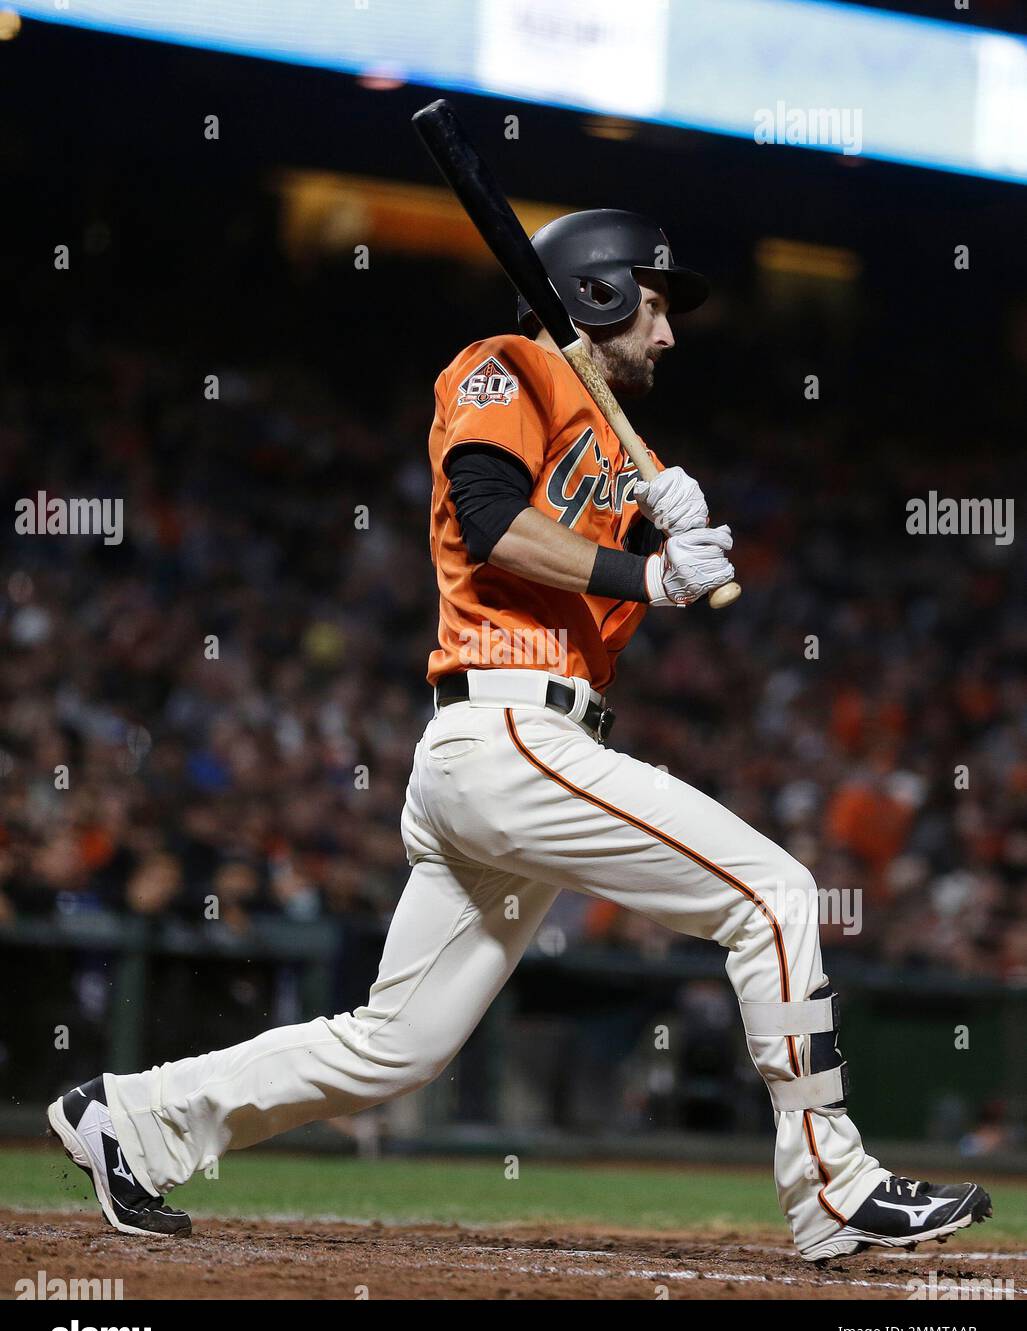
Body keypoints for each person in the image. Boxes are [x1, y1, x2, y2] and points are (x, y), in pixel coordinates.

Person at [49, 209, 991, 1263]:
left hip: (517, 748)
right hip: (507, 730)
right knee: (771, 895)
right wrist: (649, 568)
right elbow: (490, 516)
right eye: (655, 300)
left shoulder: (611, 439)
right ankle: (833, 1185)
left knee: (396, 1045)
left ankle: (128, 1117)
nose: (669, 331)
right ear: (594, 294)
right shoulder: (504, 366)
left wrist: (665, 522)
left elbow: (609, 560)